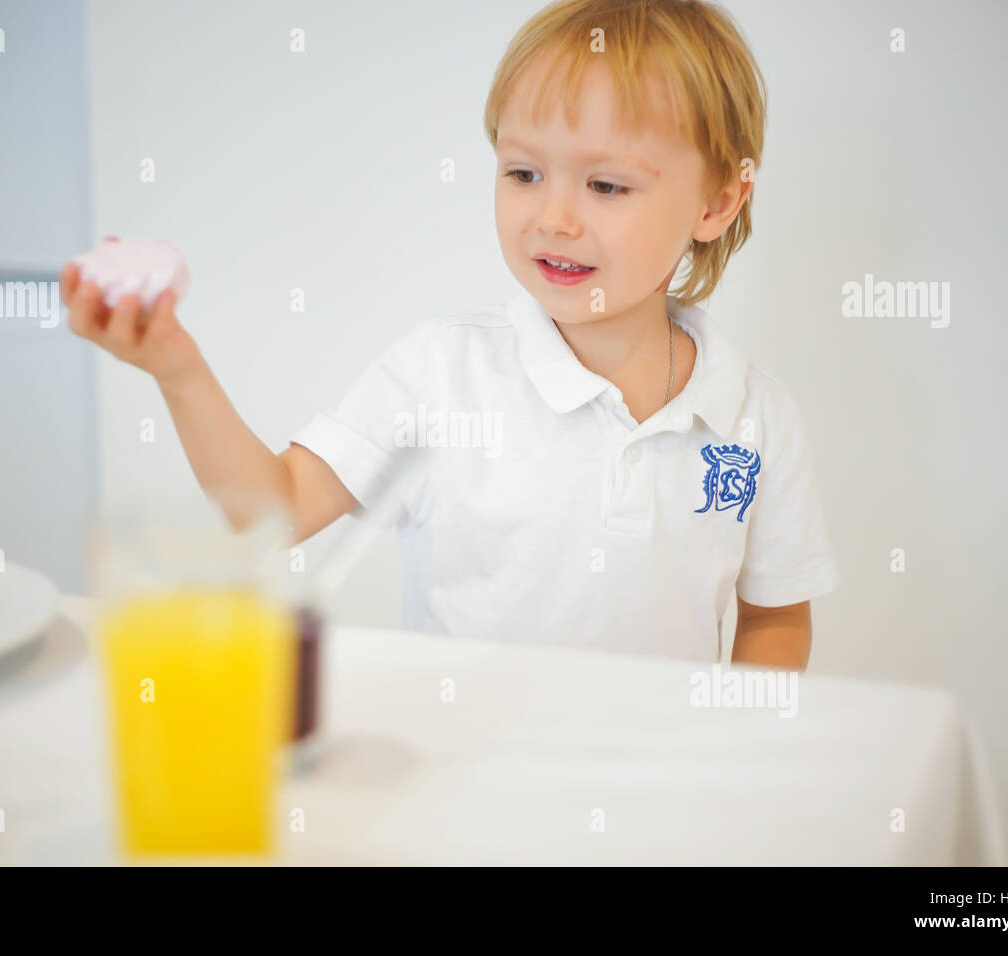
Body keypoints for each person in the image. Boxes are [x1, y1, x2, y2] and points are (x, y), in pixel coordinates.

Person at [62, 0, 840, 668]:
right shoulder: (442, 373)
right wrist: (179, 371)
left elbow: (774, 616)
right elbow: (274, 511)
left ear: (716, 204)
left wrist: (735, 749)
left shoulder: (752, 416)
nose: (553, 218)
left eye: (605, 184)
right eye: (523, 173)